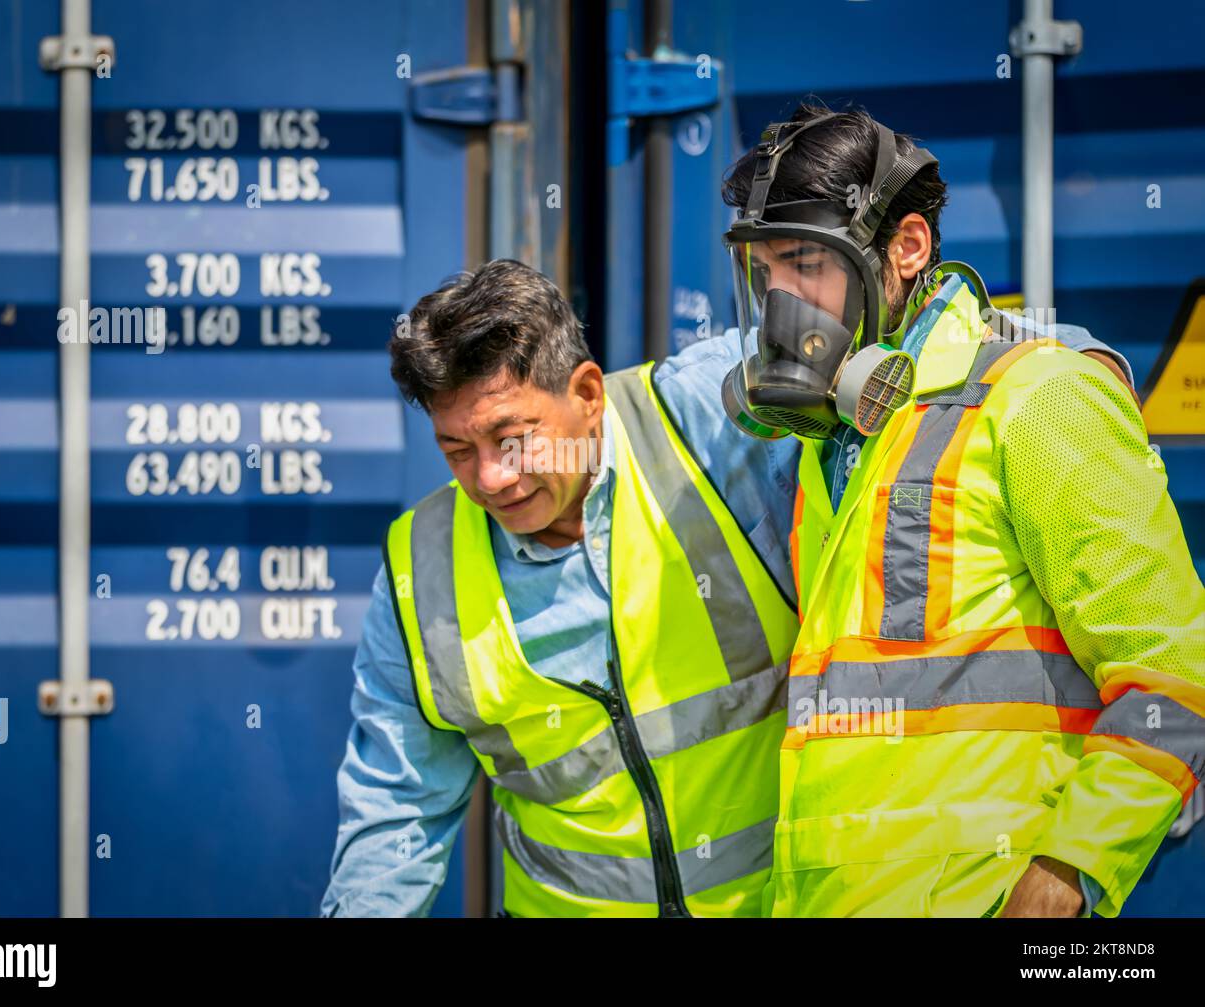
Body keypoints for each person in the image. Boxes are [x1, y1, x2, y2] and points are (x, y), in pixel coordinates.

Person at [320, 246, 1126, 916]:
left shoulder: (707, 420)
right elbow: (395, 821)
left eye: (512, 436)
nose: (491, 477)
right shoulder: (417, 572)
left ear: (588, 393)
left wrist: (1074, 375)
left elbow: (919, 355)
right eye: (457, 449)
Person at [717, 103, 1205, 917]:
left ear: (906, 248)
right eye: (764, 274)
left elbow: (1177, 676)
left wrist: (1061, 880)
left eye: (804, 264)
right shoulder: (830, 444)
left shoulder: (1041, 397)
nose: (780, 305)